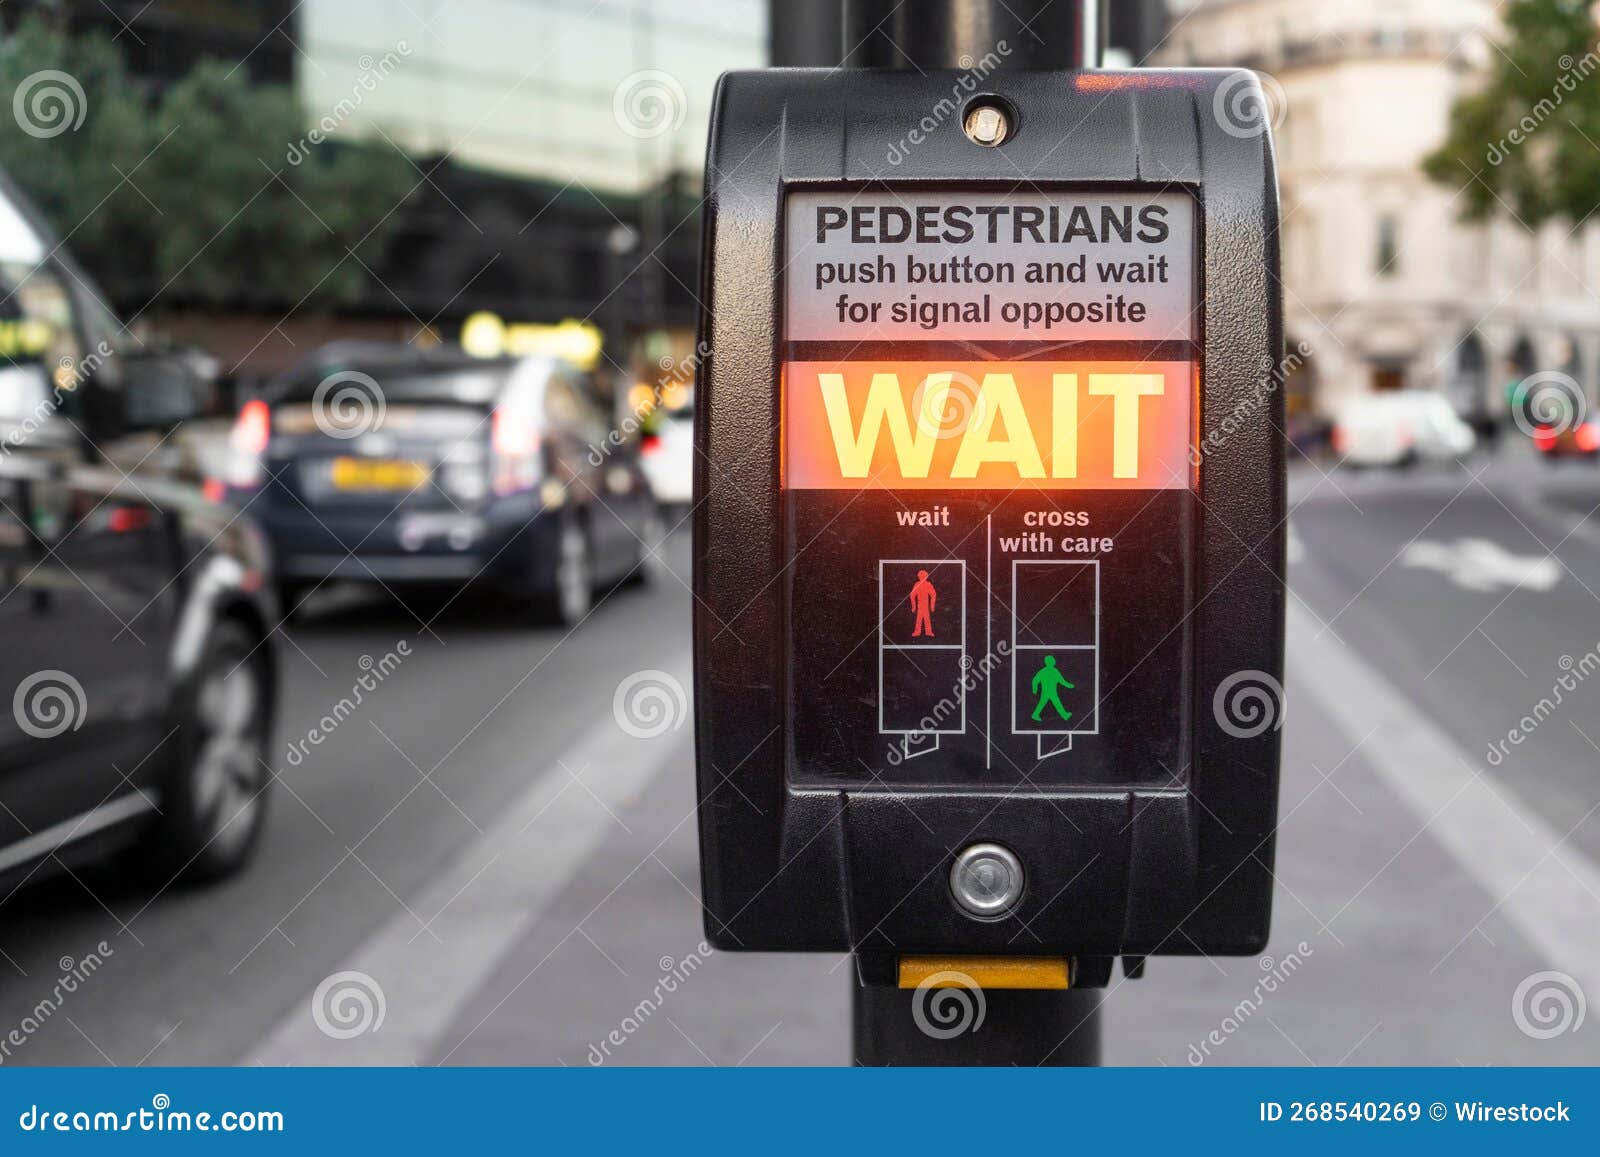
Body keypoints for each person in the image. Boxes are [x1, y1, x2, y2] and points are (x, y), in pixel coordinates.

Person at [1030, 655, 1074, 722]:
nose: (1054, 661)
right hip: (1050, 692)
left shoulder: (1044, 671)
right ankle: (1064, 715)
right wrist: (1069, 685)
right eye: (1053, 660)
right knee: (1055, 703)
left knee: (1045, 703)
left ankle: (1035, 714)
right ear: (1051, 662)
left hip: (1047, 692)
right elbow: (1062, 681)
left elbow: (1035, 680)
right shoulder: (1054, 671)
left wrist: (1034, 689)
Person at [909, 569, 937, 637]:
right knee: (920, 619)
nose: (922, 578)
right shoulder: (917, 584)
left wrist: (932, 606)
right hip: (920, 605)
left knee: (926, 618)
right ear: (919, 577)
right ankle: (918, 632)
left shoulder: (928, 584)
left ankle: (928, 632)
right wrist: (914, 607)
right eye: (921, 577)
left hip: (925, 605)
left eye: (923, 577)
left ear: (926, 577)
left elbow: (933, 595)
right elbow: (912, 595)